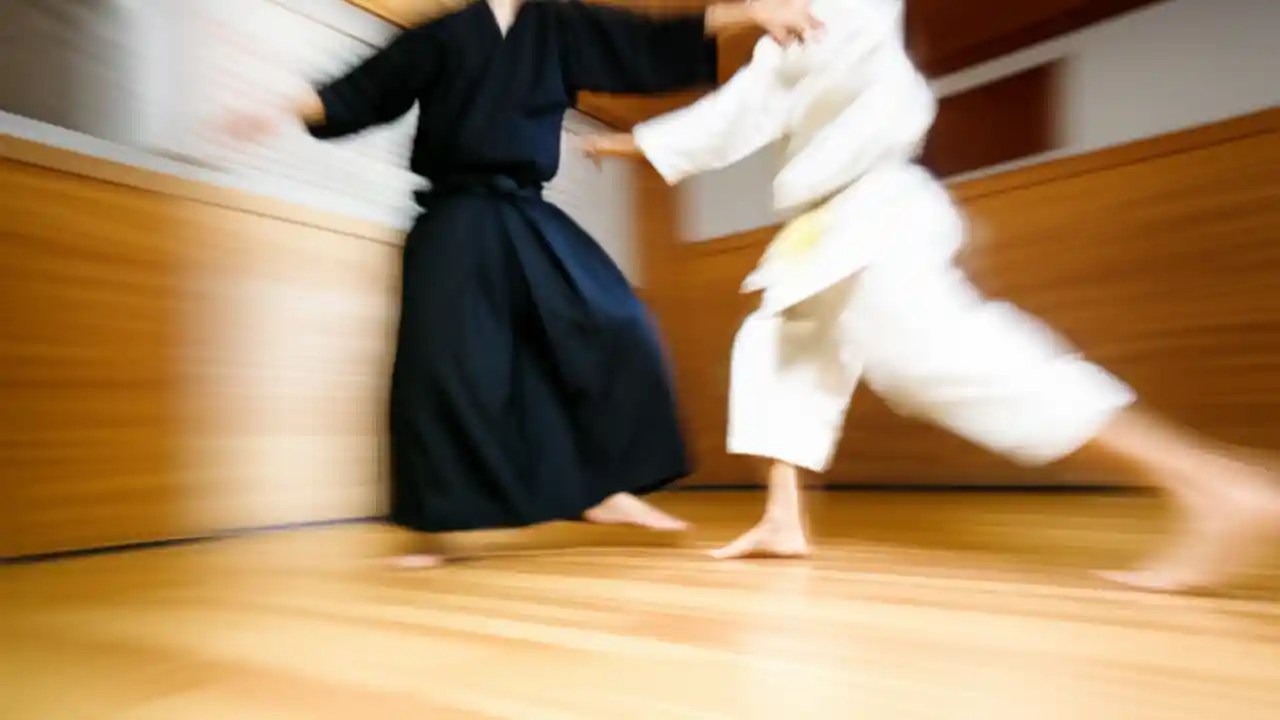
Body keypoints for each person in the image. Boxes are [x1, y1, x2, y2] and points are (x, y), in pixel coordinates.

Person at [583, 0, 1280, 591]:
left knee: (945, 358)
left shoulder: (840, 11)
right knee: (775, 349)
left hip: (870, 210)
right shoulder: (785, 39)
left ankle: (1213, 485)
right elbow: (744, 109)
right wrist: (639, 143)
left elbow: (751, 102)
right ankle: (782, 519)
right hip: (823, 227)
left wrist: (650, 133)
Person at [225, 0, 824, 568]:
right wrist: (278, 108)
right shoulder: (441, 37)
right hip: (454, 220)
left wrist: (752, 12)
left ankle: (602, 490)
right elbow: (359, 92)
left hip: (526, 214)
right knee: (444, 370)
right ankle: (434, 526)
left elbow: (647, 40)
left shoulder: (558, 26)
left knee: (616, 323)